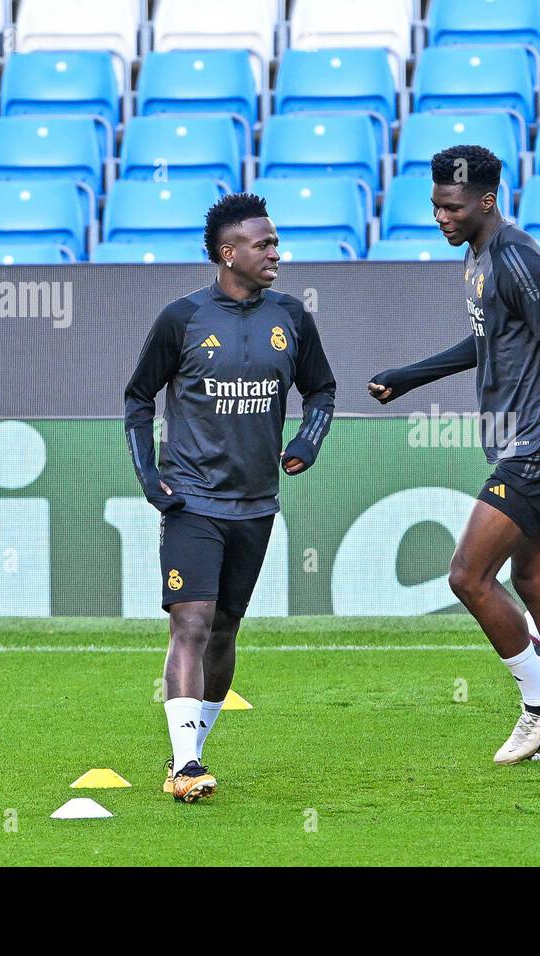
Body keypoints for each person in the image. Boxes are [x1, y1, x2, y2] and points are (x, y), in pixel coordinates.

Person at [368, 145, 540, 763]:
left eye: (451, 206)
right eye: (434, 206)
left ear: (487, 201)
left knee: (468, 576)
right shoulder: (480, 256)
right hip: (529, 439)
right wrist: (411, 376)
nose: (440, 218)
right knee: (535, 581)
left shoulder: (517, 258)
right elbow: (487, 337)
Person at [124, 192, 337, 802]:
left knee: (224, 630)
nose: (276, 252)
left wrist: (308, 440)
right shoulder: (181, 319)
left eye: (275, 242)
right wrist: (149, 477)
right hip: (191, 500)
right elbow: (138, 398)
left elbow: (321, 390)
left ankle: (187, 749)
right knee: (190, 622)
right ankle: (188, 766)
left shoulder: (292, 317)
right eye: (263, 243)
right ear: (228, 252)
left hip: (257, 502)